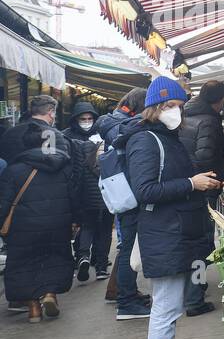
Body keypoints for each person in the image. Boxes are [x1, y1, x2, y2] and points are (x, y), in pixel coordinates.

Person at [120, 77, 217, 339]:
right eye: (168, 106)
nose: (175, 111)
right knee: (166, 308)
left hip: (175, 231)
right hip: (164, 232)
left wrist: (198, 182)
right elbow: (144, 190)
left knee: (169, 308)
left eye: (178, 105)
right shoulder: (145, 140)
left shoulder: (167, 137)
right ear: (153, 109)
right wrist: (192, 183)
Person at [0, 121, 81, 323]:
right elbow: (75, 196)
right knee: (55, 259)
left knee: (24, 264)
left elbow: (4, 201)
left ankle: (33, 309)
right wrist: (77, 220)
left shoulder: (14, 170)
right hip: (58, 223)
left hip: (23, 226)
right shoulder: (62, 166)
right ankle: (50, 294)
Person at [98, 87, 151, 319]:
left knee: (128, 245)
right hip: (129, 194)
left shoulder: (114, 124)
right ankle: (126, 302)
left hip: (122, 192)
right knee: (128, 246)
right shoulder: (126, 127)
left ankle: (127, 294)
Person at [178, 81, 224, 317]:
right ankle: (195, 298)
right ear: (219, 100)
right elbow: (205, 155)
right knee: (202, 245)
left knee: (194, 242)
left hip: (188, 187)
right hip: (203, 187)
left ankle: (193, 290)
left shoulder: (185, 114)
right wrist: (211, 179)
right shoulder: (208, 120)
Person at [63, 101, 114, 283]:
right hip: (103, 192)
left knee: (87, 227)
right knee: (102, 230)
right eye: (83, 119)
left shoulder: (67, 138)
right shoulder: (103, 138)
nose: (86, 121)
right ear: (76, 119)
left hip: (84, 194)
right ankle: (100, 266)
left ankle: (83, 256)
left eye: (89, 118)